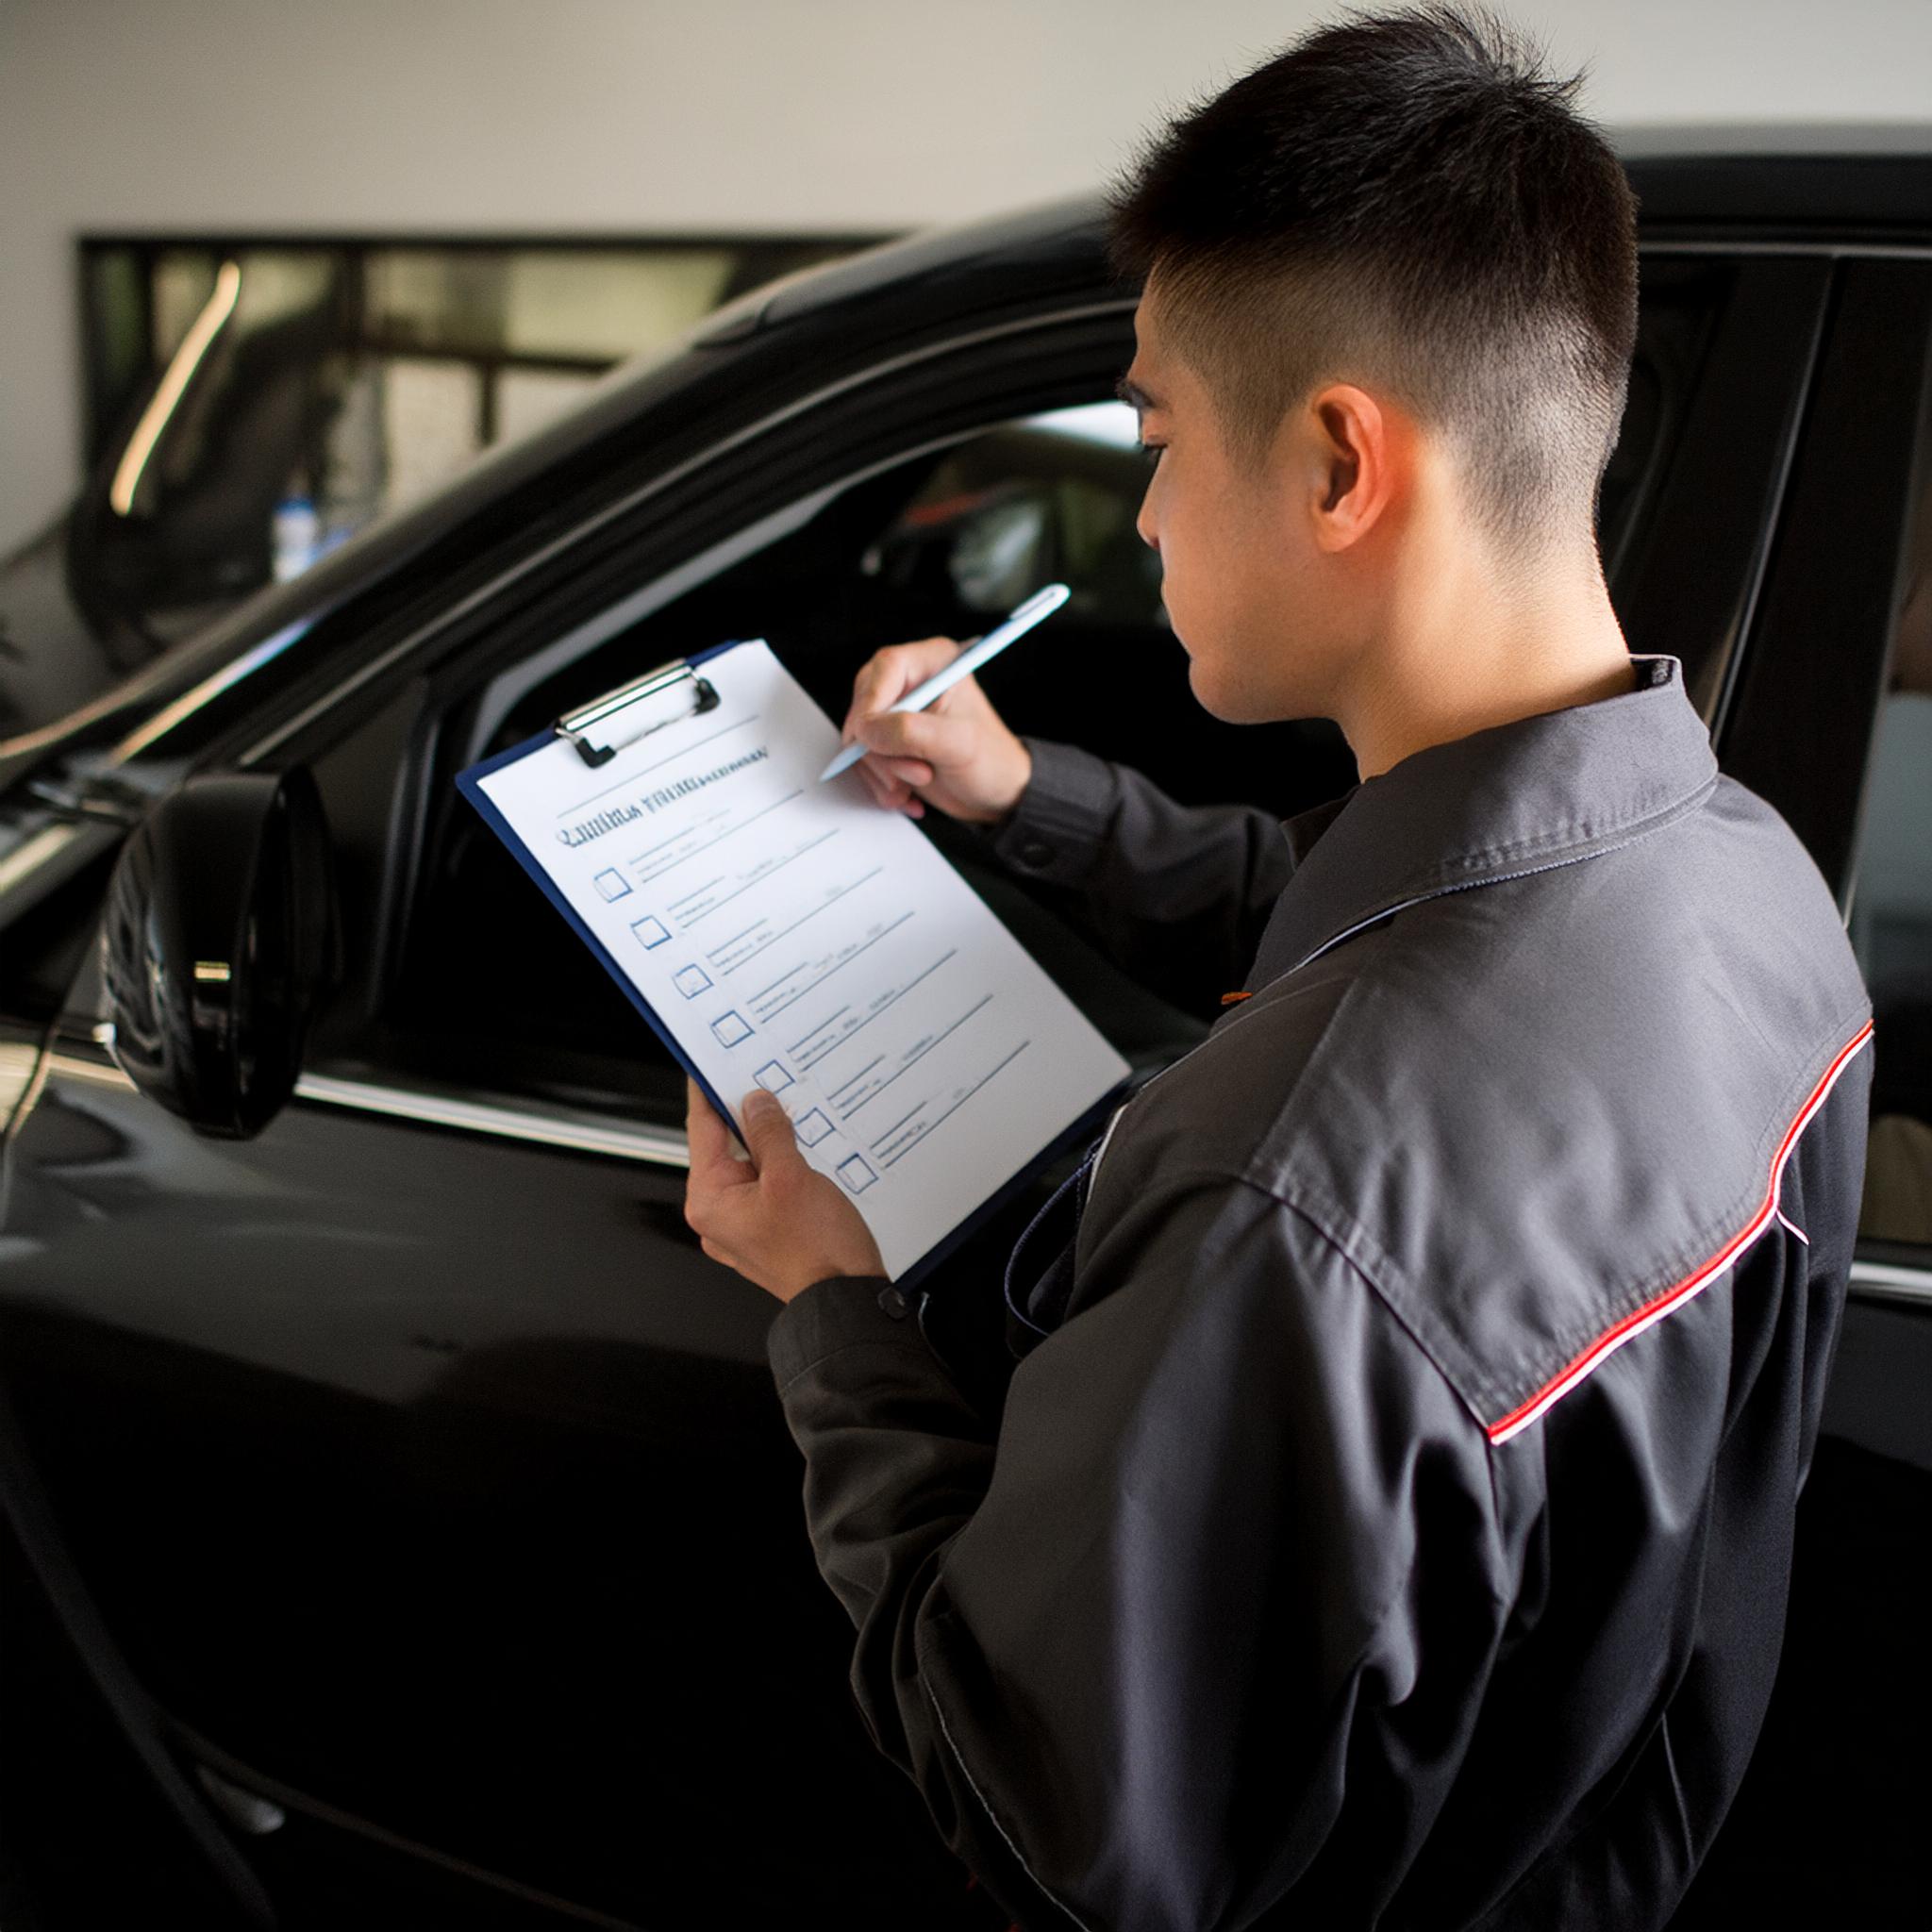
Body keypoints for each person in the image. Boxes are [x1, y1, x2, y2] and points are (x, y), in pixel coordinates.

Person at [682, 8, 1875, 1927]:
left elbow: (1044, 1813)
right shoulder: (1738, 882)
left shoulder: (1293, 1195)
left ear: (1337, 460)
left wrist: (834, 1310)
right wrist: (1025, 795)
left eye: (1150, 432)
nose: (1141, 510)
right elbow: (1379, 915)